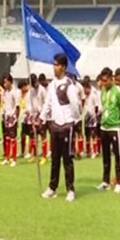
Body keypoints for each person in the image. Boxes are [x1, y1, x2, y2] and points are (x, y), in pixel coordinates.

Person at [41, 54, 81, 202]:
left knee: (67, 159)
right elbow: (48, 103)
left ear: (63, 67)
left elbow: (75, 104)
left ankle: (70, 189)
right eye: (54, 64)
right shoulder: (52, 85)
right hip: (55, 125)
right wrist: (42, 117)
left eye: (57, 65)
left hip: (67, 125)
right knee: (55, 158)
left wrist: (75, 120)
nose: (54, 67)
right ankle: (52, 187)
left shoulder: (69, 84)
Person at [97, 67, 120, 193]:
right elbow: (103, 107)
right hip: (104, 127)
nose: (104, 83)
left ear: (111, 79)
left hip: (114, 127)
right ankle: (105, 181)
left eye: (106, 80)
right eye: (102, 80)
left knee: (117, 155)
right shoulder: (103, 91)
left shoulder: (117, 92)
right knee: (106, 156)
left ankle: (119, 182)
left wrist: (119, 123)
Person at [1, 75, 20, 167]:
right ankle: (7, 158)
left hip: (12, 118)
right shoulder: (5, 93)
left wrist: (16, 118)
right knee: (7, 138)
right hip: (6, 117)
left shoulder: (14, 92)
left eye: (6, 82)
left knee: (13, 138)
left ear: (10, 82)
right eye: (4, 82)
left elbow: (17, 106)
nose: (4, 84)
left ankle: (14, 159)